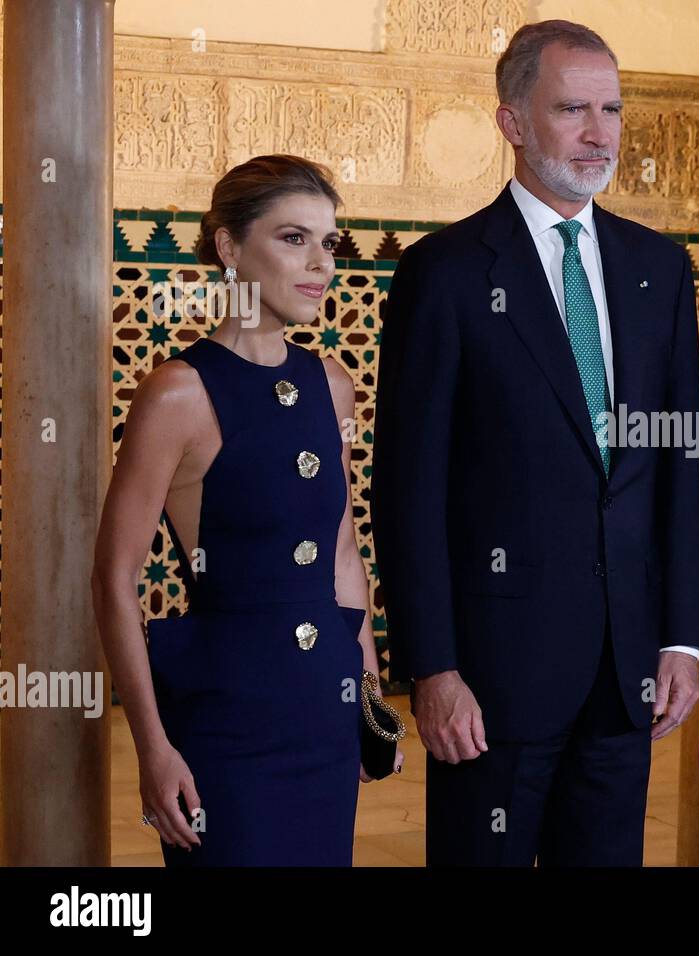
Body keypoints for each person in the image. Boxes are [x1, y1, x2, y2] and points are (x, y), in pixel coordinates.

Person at [371, 20, 699, 866]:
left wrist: (680, 637)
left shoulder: (659, 270)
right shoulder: (444, 274)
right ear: (512, 121)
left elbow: (674, 467)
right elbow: (408, 491)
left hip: (627, 670)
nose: (600, 134)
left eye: (612, 110)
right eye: (572, 110)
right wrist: (434, 669)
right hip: (493, 678)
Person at [91, 154, 400, 866]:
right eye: (294, 239)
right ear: (230, 247)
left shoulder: (332, 384)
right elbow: (113, 579)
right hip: (226, 721)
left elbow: (343, 552)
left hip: (322, 706)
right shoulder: (177, 393)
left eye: (329, 242)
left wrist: (368, 699)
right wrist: (153, 746)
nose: (321, 262)